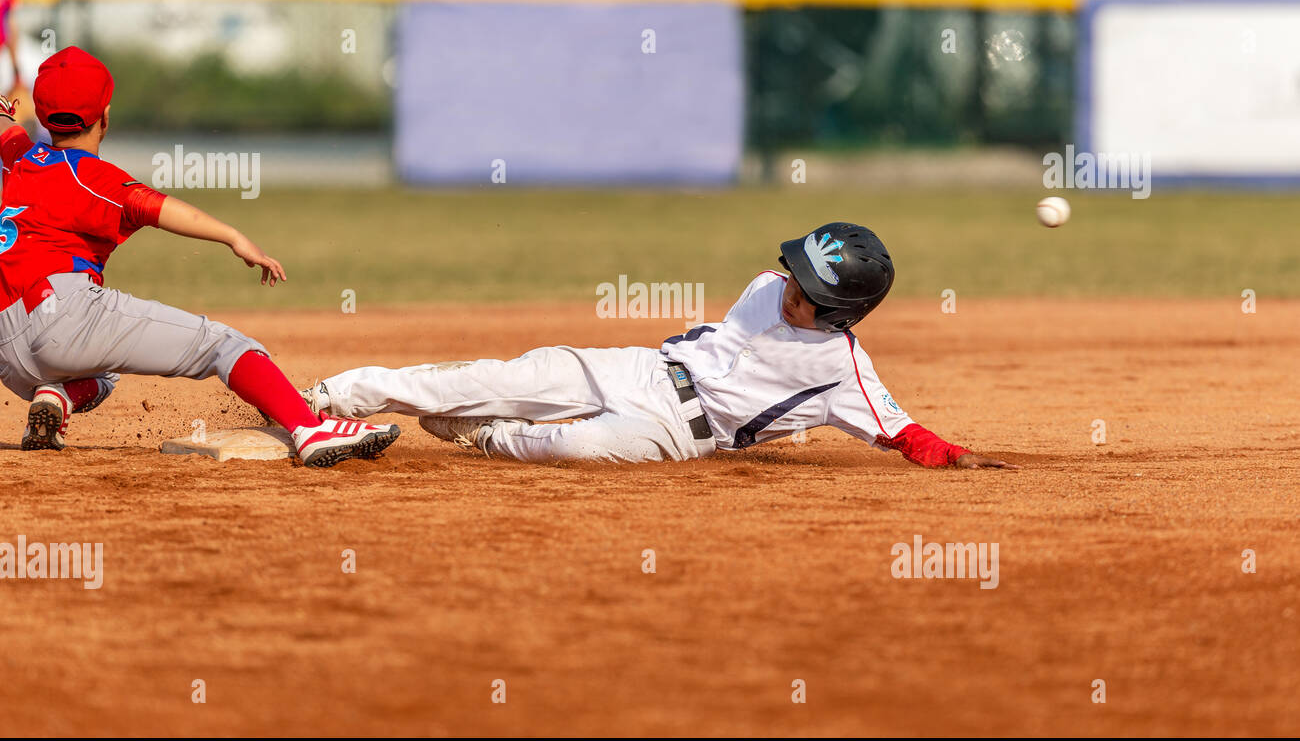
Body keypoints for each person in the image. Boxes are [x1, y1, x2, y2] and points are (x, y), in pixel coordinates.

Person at [300, 222, 1018, 469]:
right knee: (501, 371)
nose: (793, 288)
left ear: (846, 310)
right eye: (797, 273)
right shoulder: (766, 285)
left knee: (570, 451)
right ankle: (324, 400)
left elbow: (900, 430)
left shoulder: (845, 373)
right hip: (645, 368)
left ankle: (492, 438)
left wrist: (952, 455)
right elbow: (708, 338)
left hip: (678, 431)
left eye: (812, 291)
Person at [0, 46, 400, 467]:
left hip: (9, 352)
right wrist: (234, 238)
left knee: (105, 370)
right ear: (106, 115)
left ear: (42, 115)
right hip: (64, 316)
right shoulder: (93, 177)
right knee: (224, 344)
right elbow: (163, 210)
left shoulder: (19, 160)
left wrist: (9, 114)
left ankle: (58, 397)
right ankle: (311, 429)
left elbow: (7, 129)